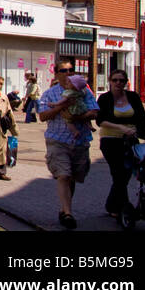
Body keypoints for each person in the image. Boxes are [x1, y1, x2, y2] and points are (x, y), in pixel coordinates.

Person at [38, 58, 99, 229]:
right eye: (63, 71)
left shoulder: (84, 91)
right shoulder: (50, 93)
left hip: (80, 140)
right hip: (57, 140)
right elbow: (42, 116)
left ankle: (65, 208)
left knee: (73, 177)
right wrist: (61, 108)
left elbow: (94, 112)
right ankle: (68, 213)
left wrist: (76, 117)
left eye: (70, 70)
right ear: (57, 74)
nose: (68, 73)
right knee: (63, 175)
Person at [96, 69, 145, 218]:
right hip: (110, 140)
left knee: (127, 174)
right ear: (110, 81)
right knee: (118, 174)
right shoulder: (104, 99)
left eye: (121, 80)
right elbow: (100, 121)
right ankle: (123, 208)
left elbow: (142, 116)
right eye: (115, 80)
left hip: (131, 140)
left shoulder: (132, 97)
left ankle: (112, 205)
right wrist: (120, 128)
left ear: (125, 82)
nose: (118, 83)